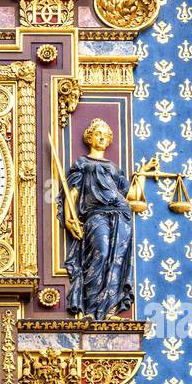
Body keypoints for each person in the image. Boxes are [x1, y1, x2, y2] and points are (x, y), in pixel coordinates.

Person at [59, 118, 142, 322]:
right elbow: (73, 194)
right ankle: (91, 309)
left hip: (121, 215)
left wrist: (142, 176)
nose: (102, 137)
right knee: (101, 254)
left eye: (105, 134)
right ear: (90, 137)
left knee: (117, 261)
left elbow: (130, 196)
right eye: (98, 133)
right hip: (96, 214)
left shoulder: (114, 167)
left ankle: (110, 311)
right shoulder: (83, 163)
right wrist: (70, 219)